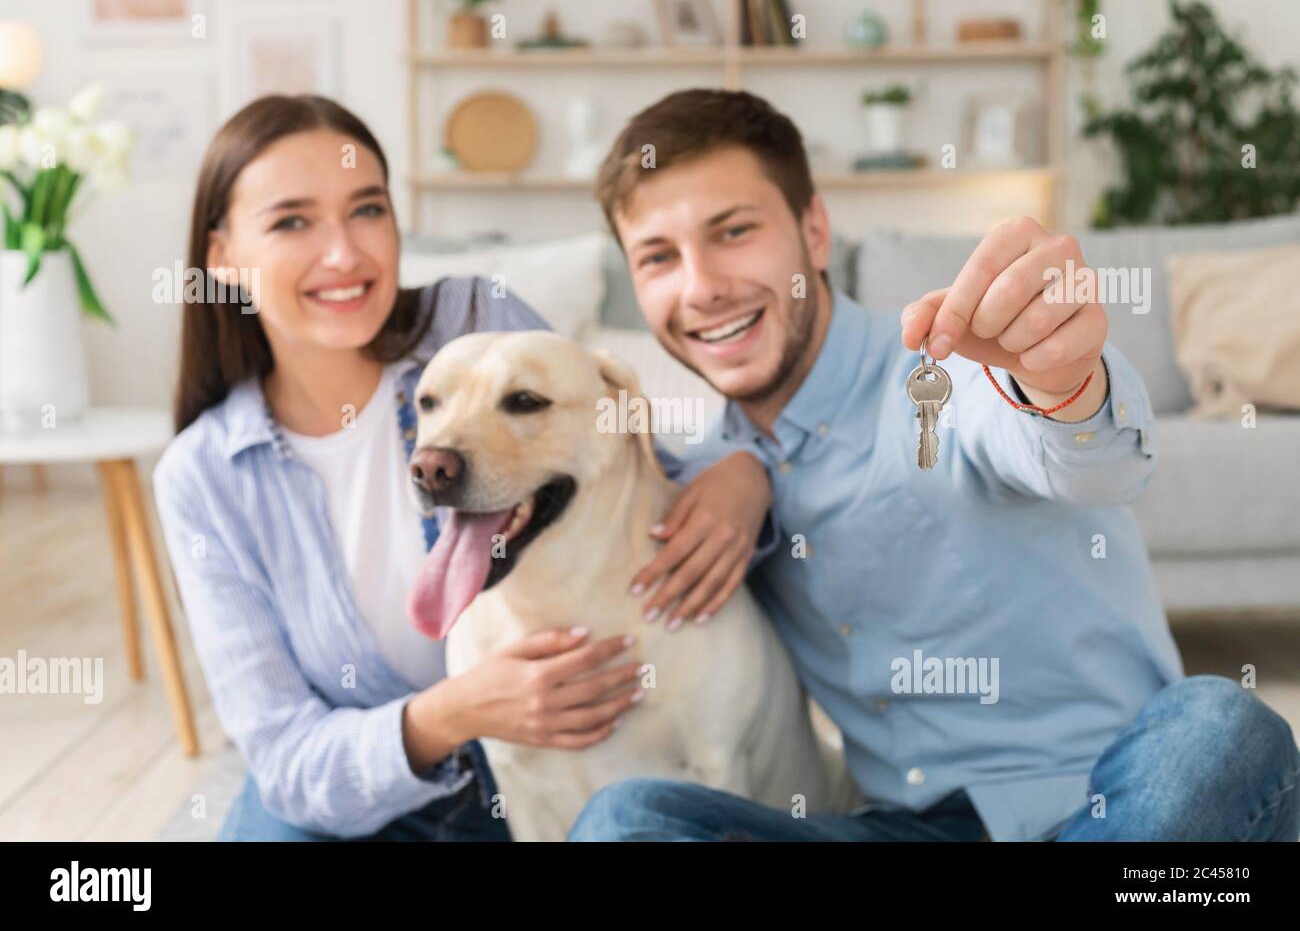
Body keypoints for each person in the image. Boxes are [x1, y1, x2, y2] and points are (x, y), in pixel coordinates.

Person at [568, 89, 1300, 841]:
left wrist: (1065, 381)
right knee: (630, 819)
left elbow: (1091, 458)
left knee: (1218, 728)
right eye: (658, 257)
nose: (701, 286)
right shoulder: (701, 470)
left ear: (813, 230)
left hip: (1116, 807)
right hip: (907, 829)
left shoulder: (944, 367)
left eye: (733, 231)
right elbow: (507, 394)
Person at [152, 94, 773, 841]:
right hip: (368, 791)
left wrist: (742, 470)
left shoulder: (476, 321)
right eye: (292, 221)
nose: (345, 253)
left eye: (368, 210)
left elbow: (623, 455)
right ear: (221, 256)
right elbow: (287, 757)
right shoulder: (204, 475)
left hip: (542, 774)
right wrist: (455, 711)